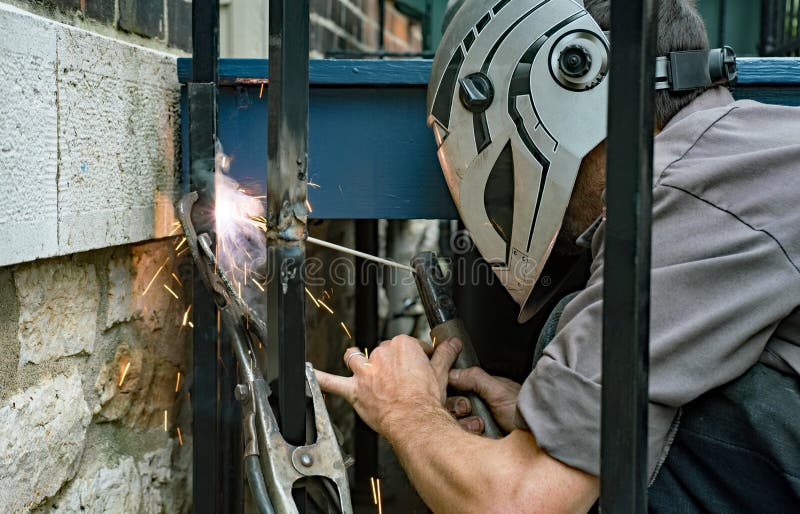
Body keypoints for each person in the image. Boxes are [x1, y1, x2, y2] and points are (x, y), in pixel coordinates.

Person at [317, 0, 800, 511]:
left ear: (576, 71)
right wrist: (544, 414)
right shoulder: (740, 154)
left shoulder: (695, 195)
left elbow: (513, 504)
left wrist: (403, 408)